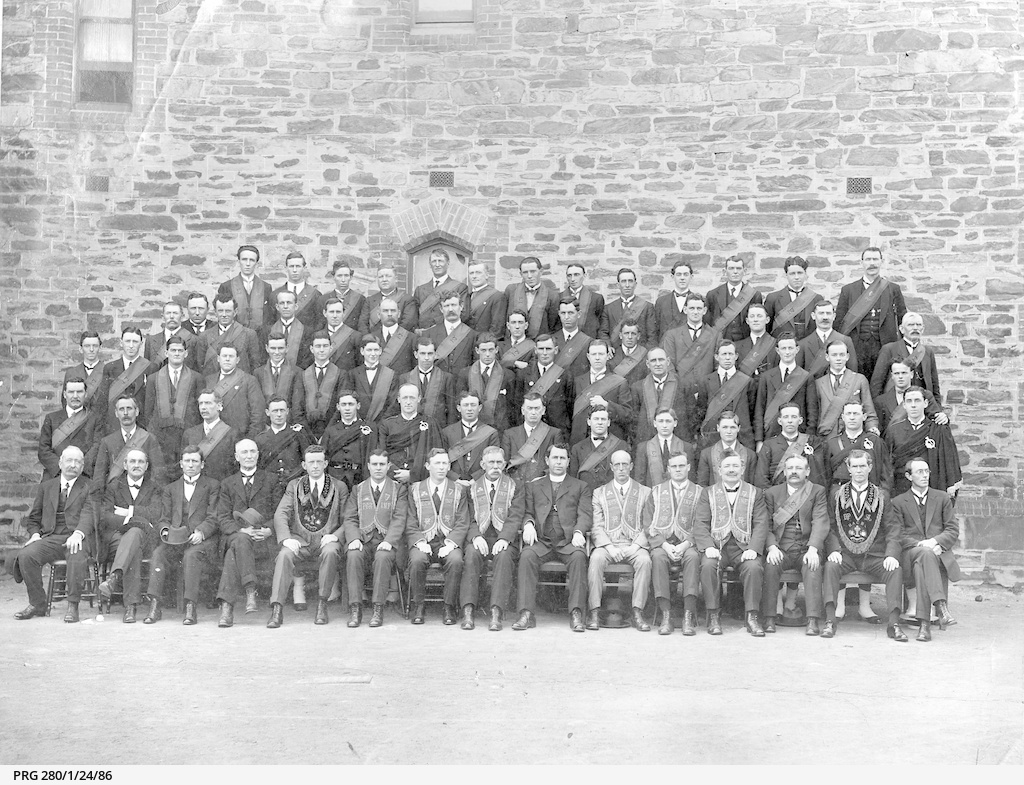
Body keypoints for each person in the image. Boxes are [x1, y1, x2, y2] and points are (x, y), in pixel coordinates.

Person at [822, 450, 907, 642]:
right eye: (855, 466)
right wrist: (834, 549)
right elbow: (830, 526)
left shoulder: (881, 495)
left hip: (873, 555)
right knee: (830, 567)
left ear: (870, 468)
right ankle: (829, 620)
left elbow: (893, 527)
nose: (859, 470)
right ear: (848, 469)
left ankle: (894, 624)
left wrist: (891, 554)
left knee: (895, 570)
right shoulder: (836, 494)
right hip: (845, 554)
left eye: (863, 466)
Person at [509, 442, 592, 633]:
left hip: (568, 541)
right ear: (547, 460)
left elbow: (585, 514)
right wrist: (528, 524)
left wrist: (579, 531)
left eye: (563, 458)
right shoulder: (534, 486)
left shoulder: (581, 486)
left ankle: (577, 613)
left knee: (579, 557)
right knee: (527, 556)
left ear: (568, 461)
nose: (558, 462)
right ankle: (526, 613)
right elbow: (526, 512)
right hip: (542, 542)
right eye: (555, 457)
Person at [267, 444, 347, 627]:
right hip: (300, 540)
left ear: (326, 463)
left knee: (331, 552)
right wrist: (286, 538)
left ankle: (322, 603)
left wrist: (336, 535)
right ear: (304, 465)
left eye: (320, 462)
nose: (316, 466)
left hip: (327, 540)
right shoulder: (294, 485)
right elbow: (281, 514)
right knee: (284, 554)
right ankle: (277, 608)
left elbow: (348, 518)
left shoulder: (339, 486)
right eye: (311, 462)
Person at [10, 447, 94, 621]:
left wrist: (78, 533)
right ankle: (37, 604)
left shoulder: (89, 486)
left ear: (83, 465)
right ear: (60, 463)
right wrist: (34, 535)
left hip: (78, 536)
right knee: (27, 555)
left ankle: (73, 605)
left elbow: (89, 514)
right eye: (69, 460)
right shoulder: (47, 487)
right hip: (51, 537)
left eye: (77, 462)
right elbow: (34, 518)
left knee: (76, 554)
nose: (73, 465)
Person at [142, 445, 221, 625]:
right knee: (158, 555)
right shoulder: (170, 489)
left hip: (201, 541)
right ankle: (154, 605)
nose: (191, 465)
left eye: (195, 461)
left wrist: (201, 531)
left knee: (191, 556)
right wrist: (165, 531)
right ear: (181, 464)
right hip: (176, 540)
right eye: (187, 461)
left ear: (202, 464)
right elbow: (163, 518)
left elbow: (214, 516)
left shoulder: (213, 485)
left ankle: (190, 606)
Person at [693, 451, 769, 636]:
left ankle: (752, 617)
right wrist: (709, 547)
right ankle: (713, 616)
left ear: (742, 469)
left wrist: (753, 548)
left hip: (743, 547)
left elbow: (761, 523)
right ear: (719, 470)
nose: (731, 470)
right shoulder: (708, 492)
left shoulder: (755, 493)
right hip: (717, 546)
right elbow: (700, 523)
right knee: (709, 565)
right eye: (727, 466)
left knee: (753, 567)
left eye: (736, 466)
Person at [760, 454, 830, 635]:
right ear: (784, 471)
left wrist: (813, 548)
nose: (794, 472)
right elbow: (764, 525)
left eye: (799, 468)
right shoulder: (772, 493)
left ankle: (813, 619)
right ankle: (769, 618)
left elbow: (820, 520)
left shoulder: (817, 491)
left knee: (813, 565)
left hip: (805, 548)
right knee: (770, 564)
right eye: (790, 468)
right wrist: (772, 547)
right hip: (780, 548)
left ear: (807, 471)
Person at [92, 448, 163, 623]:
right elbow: (106, 517)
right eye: (132, 461)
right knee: (133, 547)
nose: (136, 465)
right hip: (117, 539)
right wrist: (137, 518)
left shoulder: (154, 488)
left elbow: (155, 513)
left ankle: (115, 579)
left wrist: (128, 512)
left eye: (140, 462)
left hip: (146, 540)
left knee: (135, 533)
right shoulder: (114, 486)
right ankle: (130, 606)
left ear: (146, 466)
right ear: (125, 465)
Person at [893, 459, 960, 641]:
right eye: (919, 472)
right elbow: (897, 535)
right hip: (911, 552)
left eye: (927, 471)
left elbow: (952, 529)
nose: (924, 475)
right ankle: (940, 607)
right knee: (924, 554)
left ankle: (924, 625)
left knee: (921, 566)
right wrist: (922, 545)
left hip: (937, 552)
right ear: (908, 476)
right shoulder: (898, 502)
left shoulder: (942, 498)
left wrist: (935, 542)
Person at [341, 449, 408, 628]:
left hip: (386, 542)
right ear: (369, 466)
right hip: (363, 540)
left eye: (382, 464)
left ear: (388, 467)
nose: (378, 468)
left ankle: (378, 608)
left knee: (383, 557)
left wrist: (389, 541)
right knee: (353, 554)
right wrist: (354, 538)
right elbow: (350, 518)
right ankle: (356, 608)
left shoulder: (398, 489)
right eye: (375, 464)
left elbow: (400, 518)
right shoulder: (358, 489)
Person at [586, 450, 653, 631]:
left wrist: (636, 546)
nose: (621, 469)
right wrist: (609, 547)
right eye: (617, 465)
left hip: (634, 544)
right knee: (596, 559)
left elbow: (649, 525)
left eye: (625, 465)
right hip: (608, 545)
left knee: (645, 561)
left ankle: (637, 611)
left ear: (631, 466)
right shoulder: (599, 493)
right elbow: (596, 526)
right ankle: (594, 611)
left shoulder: (645, 492)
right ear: (611, 467)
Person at [405, 448, 471, 625]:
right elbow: (410, 520)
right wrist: (419, 541)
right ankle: (418, 605)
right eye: (437, 463)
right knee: (417, 560)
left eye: (445, 463)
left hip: (447, 541)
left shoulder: (458, 490)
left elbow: (463, 521)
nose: (441, 467)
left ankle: (448, 606)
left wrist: (452, 544)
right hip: (424, 541)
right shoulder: (415, 489)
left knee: (456, 560)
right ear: (428, 466)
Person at [214, 438, 275, 627]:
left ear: (258, 454)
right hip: (236, 535)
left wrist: (268, 530)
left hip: (262, 540)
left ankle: (227, 608)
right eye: (244, 452)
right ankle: (250, 591)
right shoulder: (227, 483)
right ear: (236, 457)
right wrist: (241, 530)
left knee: (233, 555)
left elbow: (280, 512)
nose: (249, 456)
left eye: (252, 451)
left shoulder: (271, 479)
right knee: (240, 540)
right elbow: (222, 517)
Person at [459, 446, 520, 631]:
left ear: (504, 464)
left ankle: (496, 611)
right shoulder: (472, 488)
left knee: (504, 557)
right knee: (471, 555)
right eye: (491, 463)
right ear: (482, 464)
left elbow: (516, 515)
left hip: (503, 537)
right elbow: (467, 517)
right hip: (480, 536)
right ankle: (468, 610)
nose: (495, 466)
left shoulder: (514, 486)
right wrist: (475, 536)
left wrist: (504, 538)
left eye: (499, 462)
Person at [642, 449, 702, 635]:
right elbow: (647, 522)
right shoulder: (656, 492)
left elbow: (702, 524)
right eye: (674, 466)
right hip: (663, 544)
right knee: (658, 558)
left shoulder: (700, 493)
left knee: (693, 559)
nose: (677, 469)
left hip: (688, 544)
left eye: (681, 466)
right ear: (668, 469)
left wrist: (686, 544)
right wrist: (664, 544)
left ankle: (687, 615)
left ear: (688, 467)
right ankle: (666, 615)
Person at [835, 246, 907, 379]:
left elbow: (903, 320)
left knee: (882, 383)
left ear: (881, 261)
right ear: (861, 262)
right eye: (868, 259)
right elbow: (839, 322)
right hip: (857, 347)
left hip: (885, 345)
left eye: (875, 259)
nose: (872, 263)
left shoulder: (893, 289)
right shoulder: (848, 290)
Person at [884, 387, 962, 498]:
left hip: (931, 489)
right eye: (909, 401)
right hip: (902, 490)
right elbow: (887, 464)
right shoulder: (893, 430)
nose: (913, 405)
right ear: (904, 405)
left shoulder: (937, 429)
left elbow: (948, 461)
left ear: (925, 403)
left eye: (917, 400)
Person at [144, 335, 201, 481]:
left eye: (180, 351)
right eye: (173, 350)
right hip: (161, 436)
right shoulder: (153, 379)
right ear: (166, 353)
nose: (176, 354)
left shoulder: (196, 378)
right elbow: (148, 411)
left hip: (186, 434)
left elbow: (199, 410)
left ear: (186, 353)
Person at [754, 332, 818, 447]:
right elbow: (759, 410)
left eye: (790, 348)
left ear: (797, 349)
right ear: (778, 351)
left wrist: (808, 439)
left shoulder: (806, 377)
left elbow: (812, 412)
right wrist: (759, 441)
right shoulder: (766, 377)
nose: (787, 352)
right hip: (771, 435)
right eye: (784, 348)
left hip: (798, 437)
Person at [90, 394, 166, 488]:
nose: (125, 413)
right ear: (116, 413)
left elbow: (159, 476)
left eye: (129, 408)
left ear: (137, 411)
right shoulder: (107, 442)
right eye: (121, 409)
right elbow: (99, 479)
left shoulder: (149, 439)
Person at [377, 383, 443, 484]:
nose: (408, 402)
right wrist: (395, 473)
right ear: (399, 399)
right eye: (405, 398)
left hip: (422, 480)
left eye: (412, 398)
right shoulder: (387, 424)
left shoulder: (430, 423)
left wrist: (412, 474)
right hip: (392, 479)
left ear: (419, 399)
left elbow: (436, 455)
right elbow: (381, 454)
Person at [569, 340, 633, 444]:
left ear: (607, 356)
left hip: (609, 443)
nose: (597, 357)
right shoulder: (577, 382)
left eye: (601, 354)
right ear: (588, 356)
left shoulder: (620, 382)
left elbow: (628, 414)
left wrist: (607, 405)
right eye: (594, 354)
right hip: (580, 443)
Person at [814, 340, 878, 440]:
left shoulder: (859, 379)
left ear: (847, 357)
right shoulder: (818, 383)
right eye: (834, 355)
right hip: (827, 439)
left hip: (852, 437)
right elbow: (814, 416)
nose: (838, 358)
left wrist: (872, 428)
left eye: (842, 355)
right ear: (827, 357)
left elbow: (869, 412)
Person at [870, 312, 941, 401]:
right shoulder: (889, 349)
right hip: (896, 406)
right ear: (902, 329)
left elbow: (934, 385)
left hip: (921, 405)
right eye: (910, 325)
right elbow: (877, 383)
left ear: (922, 329)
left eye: (918, 325)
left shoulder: (928, 352)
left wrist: (937, 408)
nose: (915, 328)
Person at [697, 340, 754, 450]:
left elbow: (751, 412)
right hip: (712, 438)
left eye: (730, 354)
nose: (727, 358)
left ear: (736, 356)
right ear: (716, 357)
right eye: (724, 354)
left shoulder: (747, 382)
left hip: (741, 438)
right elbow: (701, 411)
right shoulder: (706, 381)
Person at [38, 377, 98, 481]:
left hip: (83, 476)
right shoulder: (51, 418)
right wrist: (63, 470)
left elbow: (97, 447)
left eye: (79, 392)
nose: (75, 396)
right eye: (71, 392)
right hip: (55, 475)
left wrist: (78, 469)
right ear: (65, 394)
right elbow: (43, 450)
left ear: (86, 394)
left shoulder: (95, 419)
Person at [255, 396, 312, 504]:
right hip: (269, 490)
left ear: (287, 411)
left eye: (282, 410)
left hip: (295, 486)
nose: (279, 414)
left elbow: (307, 461)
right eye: (275, 411)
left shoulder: (298, 434)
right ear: (267, 412)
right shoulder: (260, 439)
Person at [755, 403, 826, 489]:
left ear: (800, 420)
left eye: (794, 417)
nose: (790, 420)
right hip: (777, 498)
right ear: (779, 421)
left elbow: (818, 475)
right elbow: (761, 478)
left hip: (806, 497)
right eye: (786, 417)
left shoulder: (813, 442)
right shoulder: (769, 445)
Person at [512, 333, 571, 435]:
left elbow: (570, 405)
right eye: (541, 349)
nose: (544, 353)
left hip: (557, 431)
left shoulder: (565, 375)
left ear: (556, 350)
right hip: (530, 432)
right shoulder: (524, 374)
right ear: (535, 350)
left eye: (548, 349)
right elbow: (518, 405)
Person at [501, 392, 563, 485]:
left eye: (537, 408)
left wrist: (542, 478)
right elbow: (504, 464)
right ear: (522, 410)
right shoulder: (509, 434)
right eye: (529, 408)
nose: (533, 412)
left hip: (544, 485)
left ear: (543, 411)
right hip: (517, 486)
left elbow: (558, 464)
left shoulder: (554, 434)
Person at [630, 348, 688, 445]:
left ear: (668, 361)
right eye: (653, 360)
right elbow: (634, 420)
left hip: (677, 441)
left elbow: (691, 415)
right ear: (648, 364)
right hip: (647, 442)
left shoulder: (683, 385)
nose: (657, 364)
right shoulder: (637, 387)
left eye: (661, 360)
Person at [205, 345, 265, 439]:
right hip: (213, 438)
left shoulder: (249, 380)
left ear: (237, 360)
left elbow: (257, 413)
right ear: (218, 358)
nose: (227, 359)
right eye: (224, 356)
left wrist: (249, 438)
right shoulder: (209, 380)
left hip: (240, 436)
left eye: (231, 356)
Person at [321, 390, 377, 491]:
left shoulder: (366, 428)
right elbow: (324, 456)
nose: (347, 408)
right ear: (338, 407)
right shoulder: (330, 430)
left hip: (357, 478)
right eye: (343, 404)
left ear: (358, 406)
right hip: (335, 477)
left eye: (351, 404)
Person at [193, 295, 262, 377]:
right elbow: (201, 365)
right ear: (215, 312)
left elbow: (254, 365)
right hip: (214, 385)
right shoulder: (204, 336)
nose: (224, 315)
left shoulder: (249, 334)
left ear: (235, 312)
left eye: (228, 311)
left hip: (240, 385)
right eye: (220, 311)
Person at [99, 326, 151, 433]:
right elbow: (103, 401)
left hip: (141, 425)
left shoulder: (150, 367)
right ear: (121, 343)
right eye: (128, 341)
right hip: (116, 425)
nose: (131, 346)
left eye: (135, 342)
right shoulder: (110, 368)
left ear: (141, 344)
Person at [457, 333, 514, 431]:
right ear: (477, 350)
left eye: (491, 350)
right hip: (472, 428)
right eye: (483, 350)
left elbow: (512, 405)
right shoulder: (465, 374)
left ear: (496, 350)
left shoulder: (508, 375)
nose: (487, 354)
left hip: (499, 428)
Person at [875, 359, 947, 435]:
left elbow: (936, 419)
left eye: (904, 373)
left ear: (911, 374)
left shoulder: (925, 395)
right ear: (892, 376)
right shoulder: (880, 401)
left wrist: (943, 418)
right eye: (896, 373)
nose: (900, 377)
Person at [442, 391, 499, 483]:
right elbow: (441, 460)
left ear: (479, 408)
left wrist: (475, 479)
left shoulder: (490, 433)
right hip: (454, 483)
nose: (469, 409)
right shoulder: (447, 432)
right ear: (459, 408)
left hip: (481, 482)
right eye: (465, 405)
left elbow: (494, 461)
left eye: (473, 405)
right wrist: (456, 479)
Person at [181, 389, 239, 482]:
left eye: (208, 403)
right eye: (201, 403)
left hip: (221, 486)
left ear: (219, 406)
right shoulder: (189, 434)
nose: (203, 407)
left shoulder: (232, 434)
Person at [705, 255, 764, 343]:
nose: (735, 272)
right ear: (725, 271)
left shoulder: (754, 295)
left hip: (745, 343)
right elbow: (708, 323)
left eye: (738, 268)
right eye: (731, 268)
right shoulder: (713, 295)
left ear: (744, 271)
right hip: (720, 343)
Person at [661, 292, 717, 384]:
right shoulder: (672, 335)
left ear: (705, 310)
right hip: (681, 388)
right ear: (685, 310)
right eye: (692, 308)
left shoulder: (714, 335)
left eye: (699, 308)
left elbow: (717, 365)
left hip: (706, 389)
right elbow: (669, 365)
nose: (695, 312)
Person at [633, 406, 696, 487]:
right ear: (655, 423)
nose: (664, 425)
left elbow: (690, 478)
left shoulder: (686, 447)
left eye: (668, 421)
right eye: (660, 421)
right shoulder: (643, 448)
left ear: (675, 423)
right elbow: (639, 479)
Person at [568, 406, 628, 491]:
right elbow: (573, 481)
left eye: (603, 419)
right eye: (596, 419)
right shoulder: (577, 449)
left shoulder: (621, 446)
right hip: (586, 499)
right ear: (589, 422)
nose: (600, 422)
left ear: (608, 422)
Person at [297, 331, 344, 440]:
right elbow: (297, 407)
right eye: (318, 346)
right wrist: (307, 433)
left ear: (331, 348)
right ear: (311, 349)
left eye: (325, 346)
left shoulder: (341, 374)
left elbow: (341, 407)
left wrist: (328, 432)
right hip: (307, 431)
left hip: (332, 431)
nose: (322, 350)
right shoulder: (303, 375)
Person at [764, 256, 824, 340]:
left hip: (808, 348)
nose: (796, 277)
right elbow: (766, 328)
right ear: (786, 275)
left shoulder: (816, 298)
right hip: (783, 348)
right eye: (792, 274)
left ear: (805, 274)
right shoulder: (773, 298)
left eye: (800, 273)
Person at [217, 244, 274, 331]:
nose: (247, 264)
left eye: (251, 260)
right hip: (235, 335)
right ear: (238, 261)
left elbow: (268, 316)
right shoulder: (226, 286)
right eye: (244, 259)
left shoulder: (266, 287)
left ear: (256, 263)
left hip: (259, 336)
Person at [796, 300, 857, 379]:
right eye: (821, 313)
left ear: (834, 316)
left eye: (828, 313)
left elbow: (852, 374)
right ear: (813, 316)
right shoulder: (803, 344)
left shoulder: (846, 341)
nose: (825, 317)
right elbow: (799, 377)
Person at [696, 410, 757, 487]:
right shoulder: (706, 454)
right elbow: (702, 485)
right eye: (725, 427)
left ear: (738, 428)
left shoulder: (750, 455)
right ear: (718, 428)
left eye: (732, 427)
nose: (729, 431)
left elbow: (752, 486)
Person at [503, 256, 559, 339]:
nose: (529, 276)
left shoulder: (551, 295)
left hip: (539, 342)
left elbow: (552, 324)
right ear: (521, 274)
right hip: (514, 342)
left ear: (541, 271)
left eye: (533, 271)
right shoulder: (511, 290)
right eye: (525, 272)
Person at [414, 247, 469, 331]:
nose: (437, 264)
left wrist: (436, 326)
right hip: (423, 335)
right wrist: (417, 330)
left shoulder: (460, 287)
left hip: (446, 334)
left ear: (448, 263)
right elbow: (414, 315)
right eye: (434, 261)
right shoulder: (420, 290)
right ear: (430, 265)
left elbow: (464, 314)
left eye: (440, 261)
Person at [424, 291, 476, 376]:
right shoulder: (428, 334)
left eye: (454, 305)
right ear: (441, 309)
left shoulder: (473, 335)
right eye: (446, 306)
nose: (450, 309)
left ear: (461, 306)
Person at [259, 289, 312, 370]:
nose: (285, 306)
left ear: (296, 306)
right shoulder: (267, 331)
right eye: (282, 303)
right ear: (277, 307)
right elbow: (263, 357)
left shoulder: (307, 331)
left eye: (289, 303)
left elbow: (307, 360)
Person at [274, 250, 325, 332]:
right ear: (286, 268)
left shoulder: (315, 295)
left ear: (304, 268)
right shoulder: (275, 294)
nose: (294, 270)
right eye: (291, 266)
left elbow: (319, 323)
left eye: (298, 266)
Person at [253, 332, 303, 413]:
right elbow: (257, 404)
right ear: (267, 348)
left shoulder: (297, 372)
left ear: (287, 348)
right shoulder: (258, 373)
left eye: (280, 348)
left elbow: (296, 405)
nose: (276, 352)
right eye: (273, 348)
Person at [606, 267, 655, 349]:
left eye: (630, 281)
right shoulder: (608, 308)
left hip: (639, 355)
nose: (627, 285)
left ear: (635, 284)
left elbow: (652, 335)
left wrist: (646, 353)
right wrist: (607, 346)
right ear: (618, 285)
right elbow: (603, 332)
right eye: (624, 281)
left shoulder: (647, 307)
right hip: (615, 354)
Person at [359, 265, 418, 332]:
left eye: (388, 276)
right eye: (381, 277)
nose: (384, 280)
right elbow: (362, 325)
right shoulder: (369, 300)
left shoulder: (407, 299)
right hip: (373, 340)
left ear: (395, 278)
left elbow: (407, 324)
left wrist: (391, 339)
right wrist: (370, 340)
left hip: (398, 340)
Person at [653, 260, 699, 342]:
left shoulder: (698, 301)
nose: (682, 278)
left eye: (686, 274)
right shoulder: (661, 302)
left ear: (691, 277)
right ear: (672, 276)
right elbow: (656, 330)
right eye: (678, 274)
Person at [559, 263, 608, 339]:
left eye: (576, 275)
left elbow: (601, 323)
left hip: (588, 341)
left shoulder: (596, 298)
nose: (572, 279)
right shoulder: (559, 297)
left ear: (584, 276)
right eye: (569, 275)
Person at [371, 296, 417, 375]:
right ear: (378, 314)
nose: (389, 314)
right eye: (385, 311)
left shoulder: (411, 338)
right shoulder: (371, 338)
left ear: (399, 314)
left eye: (393, 311)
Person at [144, 301, 195, 371]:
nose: (171, 316)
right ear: (162, 317)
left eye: (175, 313)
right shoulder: (151, 340)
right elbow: (148, 371)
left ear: (182, 317)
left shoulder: (193, 340)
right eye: (168, 313)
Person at [62, 330, 105, 409]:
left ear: (100, 348)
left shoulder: (108, 371)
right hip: (78, 419)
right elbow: (65, 402)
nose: (91, 349)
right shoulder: (71, 373)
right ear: (80, 349)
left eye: (95, 346)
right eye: (87, 346)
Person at [323, 260, 366, 337]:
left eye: (346, 276)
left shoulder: (360, 299)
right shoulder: (323, 299)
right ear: (333, 277)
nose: (343, 280)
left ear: (351, 277)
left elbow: (362, 326)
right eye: (339, 276)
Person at [552, 297, 593, 378]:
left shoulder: (589, 342)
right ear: (559, 314)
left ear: (579, 314)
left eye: (570, 313)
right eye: (563, 313)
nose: (566, 317)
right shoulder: (551, 340)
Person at [465, 260, 507, 337]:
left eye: (478, 272)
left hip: (485, 344)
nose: (474, 276)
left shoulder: (496, 296)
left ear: (487, 275)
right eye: (471, 273)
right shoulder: (467, 296)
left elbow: (497, 328)